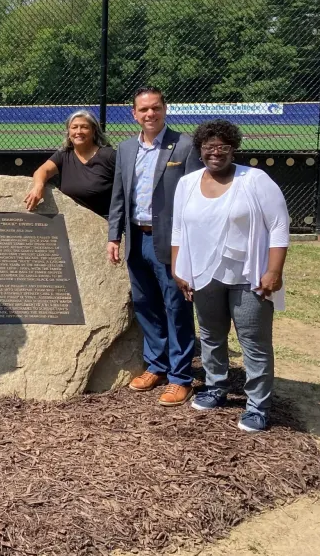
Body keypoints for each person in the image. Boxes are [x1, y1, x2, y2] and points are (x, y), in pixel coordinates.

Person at [172, 120, 289, 433]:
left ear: (233, 147)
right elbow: (179, 228)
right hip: (204, 275)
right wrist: (178, 267)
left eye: (223, 146)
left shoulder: (255, 179)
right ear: (200, 150)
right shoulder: (188, 183)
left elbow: (279, 225)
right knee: (210, 335)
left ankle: (257, 407)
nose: (215, 152)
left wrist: (274, 270)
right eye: (209, 147)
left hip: (248, 276)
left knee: (254, 341)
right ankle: (215, 387)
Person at [107, 87, 202, 407]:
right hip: (136, 239)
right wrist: (113, 235)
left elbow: (194, 199)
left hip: (170, 242)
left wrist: (188, 245)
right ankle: (157, 367)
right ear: (134, 114)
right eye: (143, 110)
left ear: (165, 109)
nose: (150, 114)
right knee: (146, 305)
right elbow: (119, 195)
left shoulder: (185, 145)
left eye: (155, 108)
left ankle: (180, 378)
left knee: (176, 308)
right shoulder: (124, 149)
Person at [24, 110, 116, 217]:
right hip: (73, 220)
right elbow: (43, 170)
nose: (79, 131)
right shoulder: (64, 155)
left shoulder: (108, 155)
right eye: (74, 127)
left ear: (94, 131)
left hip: (104, 222)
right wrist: (38, 186)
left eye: (84, 127)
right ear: (68, 132)